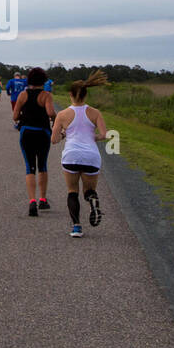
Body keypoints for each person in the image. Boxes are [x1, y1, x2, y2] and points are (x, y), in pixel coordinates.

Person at [49, 70, 110, 237]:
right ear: (85, 94)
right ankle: (92, 200)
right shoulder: (95, 112)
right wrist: (92, 137)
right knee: (88, 190)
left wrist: (63, 134)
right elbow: (105, 135)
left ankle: (76, 226)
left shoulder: (62, 114)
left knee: (72, 191)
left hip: (71, 155)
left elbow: (54, 140)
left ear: (70, 94)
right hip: (91, 156)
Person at [12, 66, 56, 216]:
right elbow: (50, 113)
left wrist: (24, 116)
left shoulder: (23, 95)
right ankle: (43, 199)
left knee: (29, 167)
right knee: (42, 165)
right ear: (43, 80)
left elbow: (15, 116)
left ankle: (32, 201)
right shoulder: (46, 95)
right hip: (42, 133)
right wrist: (55, 120)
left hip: (26, 133)